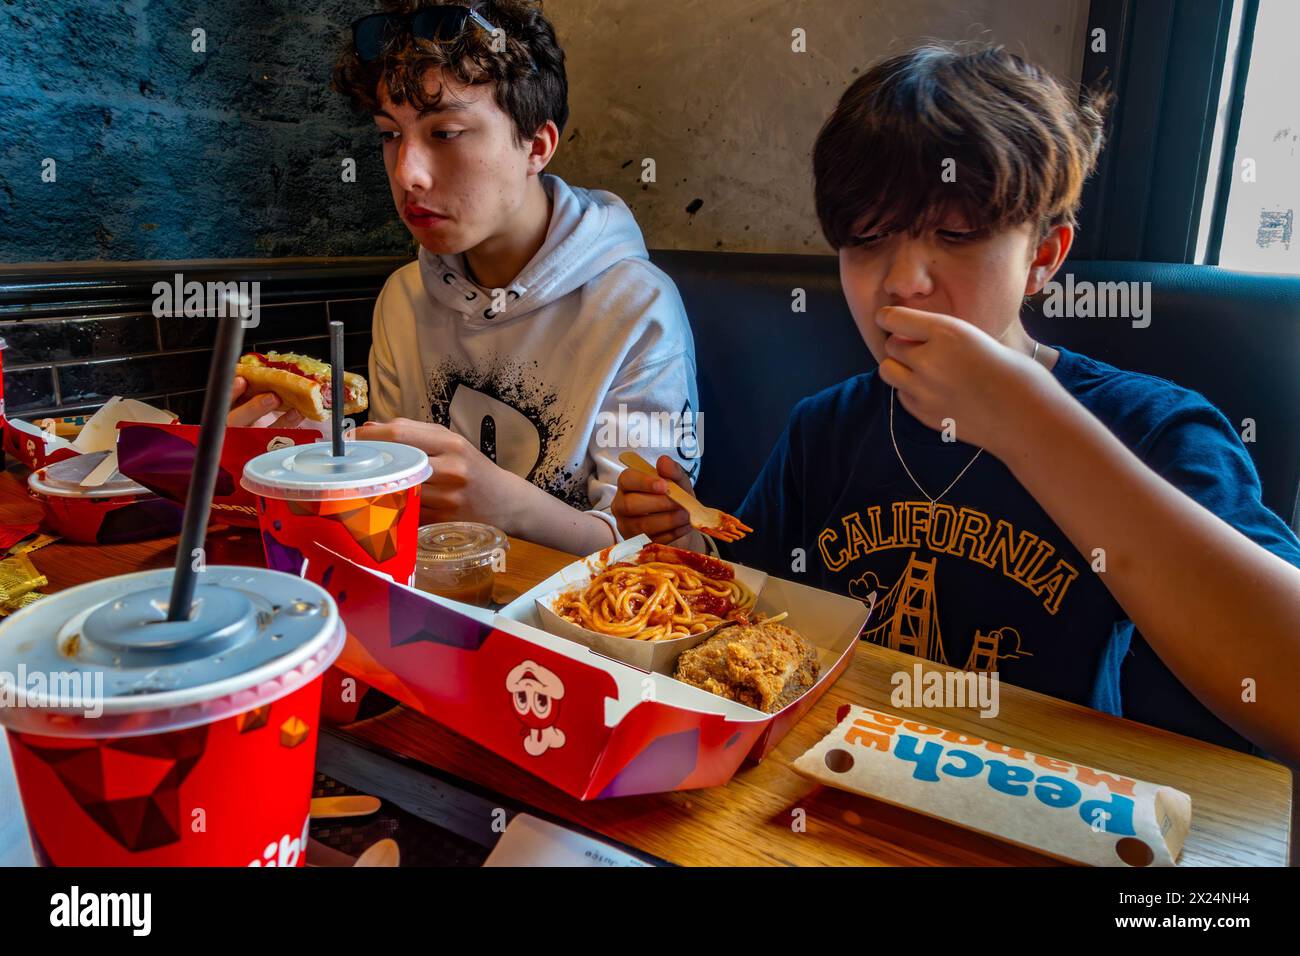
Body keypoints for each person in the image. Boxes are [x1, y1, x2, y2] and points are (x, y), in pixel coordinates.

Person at [612, 43, 1300, 764]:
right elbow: (762, 622)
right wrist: (686, 551)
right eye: (867, 239)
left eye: (957, 235)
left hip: (1040, 803)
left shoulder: (1153, 430)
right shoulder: (826, 429)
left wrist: (1028, 421)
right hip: (835, 782)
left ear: (1043, 258)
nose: (903, 281)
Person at [230, 0, 700, 555]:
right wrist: (292, 457)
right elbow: (392, 507)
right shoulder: (404, 297)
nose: (408, 174)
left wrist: (504, 503)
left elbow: (651, 541)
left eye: (447, 133)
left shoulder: (635, 306)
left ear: (538, 146)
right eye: (389, 135)